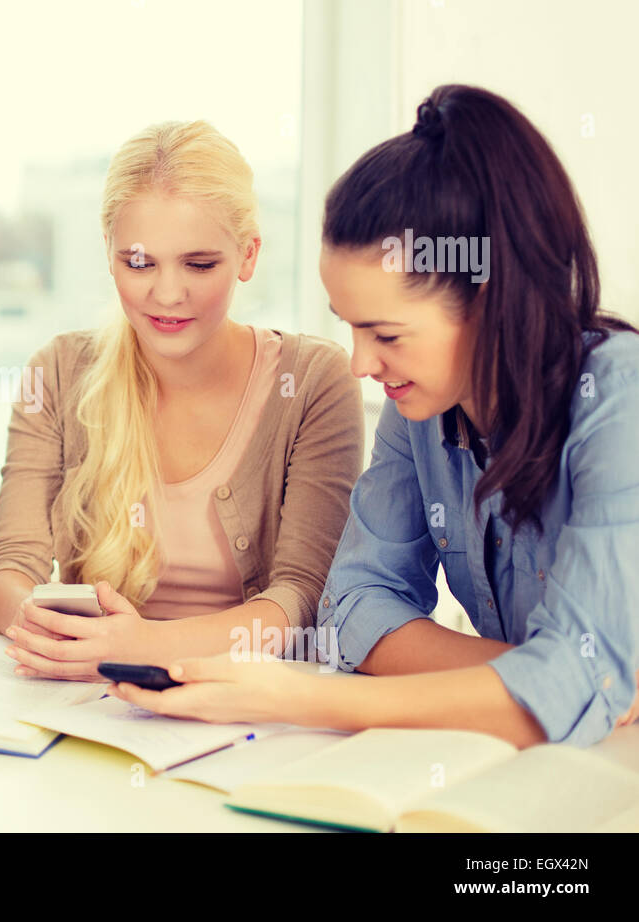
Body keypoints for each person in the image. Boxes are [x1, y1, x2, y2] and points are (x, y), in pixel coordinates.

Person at [110, 84, 639, 746]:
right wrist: (559, 679)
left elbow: (581, 683)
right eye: (351, 327)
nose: (361, 362)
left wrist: (303, 698)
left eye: (386, 335)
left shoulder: (620, 399)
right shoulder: (423, 402)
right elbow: (354, 608)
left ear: (490, 301)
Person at [0, 119, 364, 679]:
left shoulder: (313, 381)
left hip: (252, 708)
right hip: (92, 701)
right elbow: (8, 571)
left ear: (249, 256)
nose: (166, 294)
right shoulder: (59, 372)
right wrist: (59, 636)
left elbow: (303, 601)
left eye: (199, 264)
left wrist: (142, 647)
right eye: (139, 263)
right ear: (109, 255)